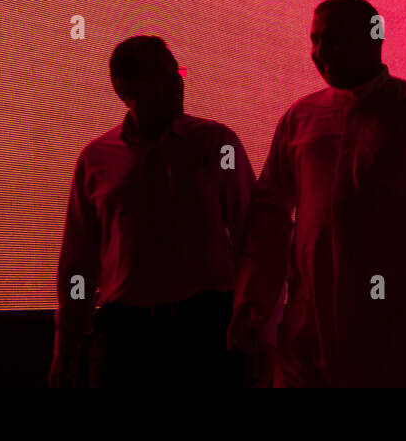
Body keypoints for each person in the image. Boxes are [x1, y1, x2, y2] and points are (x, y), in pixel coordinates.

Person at [228, 0, 406, 387]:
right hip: (311, 324)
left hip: (400, 320)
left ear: (376, 38)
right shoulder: (299, 118)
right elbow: (270, 216)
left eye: (335, 39)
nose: (321, 51)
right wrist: (252, 300)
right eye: (315, 40)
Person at [49, 36, 255, 387]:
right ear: (125, 86)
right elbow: (79, 264)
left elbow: (252, 234)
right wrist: (65, 350)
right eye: (162, 73)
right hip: (124, 336)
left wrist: (257, 327)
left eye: (176, 71)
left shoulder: (217, 143)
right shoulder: (95, 159)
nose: (178, 82)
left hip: (205, 329)